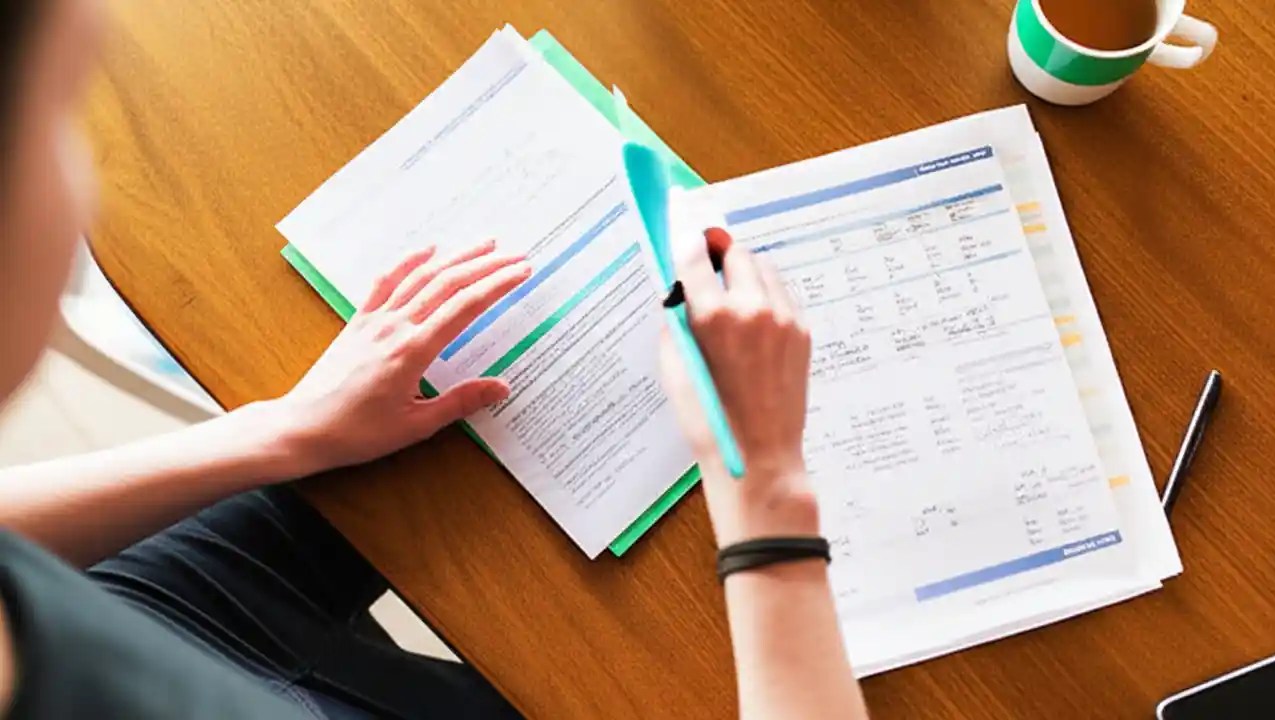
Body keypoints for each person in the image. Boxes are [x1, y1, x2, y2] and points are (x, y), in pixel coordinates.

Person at [0, 0, 869, 718]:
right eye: (59, 118)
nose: (84, 185)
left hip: (132, 614)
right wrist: (770, 504)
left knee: (475, 413)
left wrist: (283, 433)